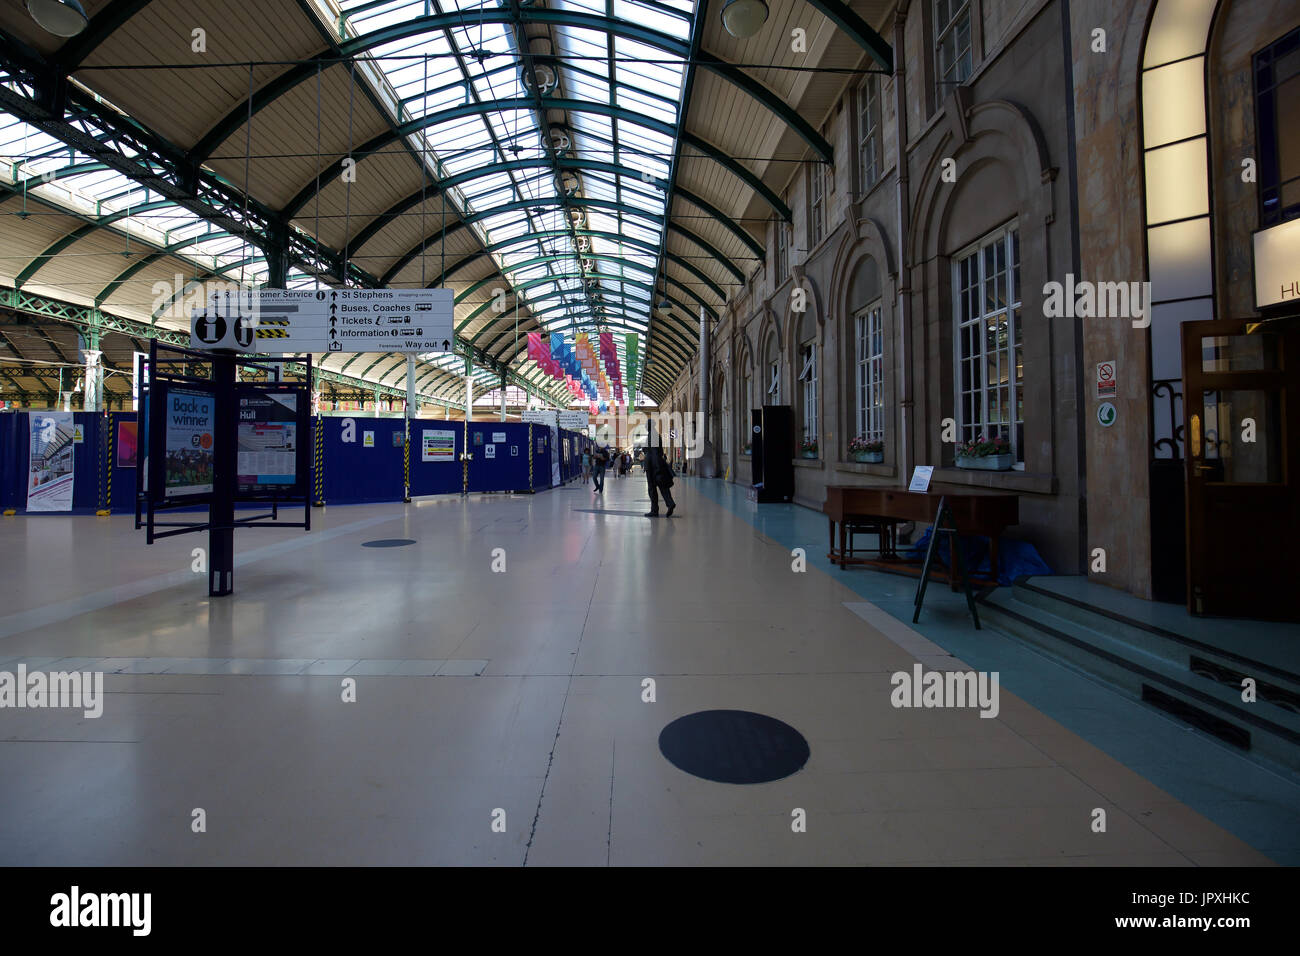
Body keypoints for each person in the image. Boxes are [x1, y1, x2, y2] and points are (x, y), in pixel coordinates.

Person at [642, 425, 676, 518]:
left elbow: (652, 451)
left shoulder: (651, 436)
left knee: (652, 488)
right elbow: (660, 451)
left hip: (652, 465)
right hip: (658, 463)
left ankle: (654, 510)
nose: (645, 427)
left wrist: (655, 466)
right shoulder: (657, 435)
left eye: (646, 426)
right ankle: (670, 503)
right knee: (663, 485)